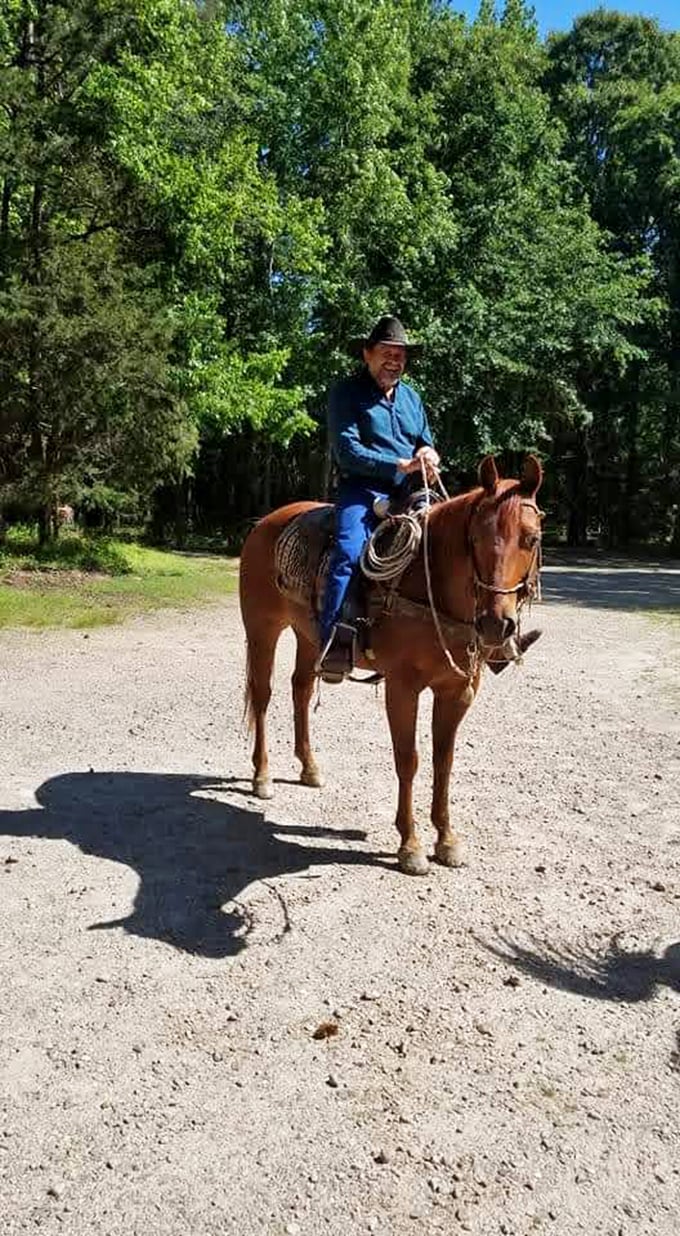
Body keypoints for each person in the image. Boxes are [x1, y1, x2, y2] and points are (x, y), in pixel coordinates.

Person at [318, 315, 440, 682]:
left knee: (448, 543)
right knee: (347, 554)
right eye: (386, 353)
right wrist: (397, 465)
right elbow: (346, 451)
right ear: (367, 354)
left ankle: (474, 637)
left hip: (411, 490)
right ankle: (333, 644)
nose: (394, 361)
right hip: (362, 490)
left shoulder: (412, 398)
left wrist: (429, 455)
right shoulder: (346, 393)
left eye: (400, 355)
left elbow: (425, 440)